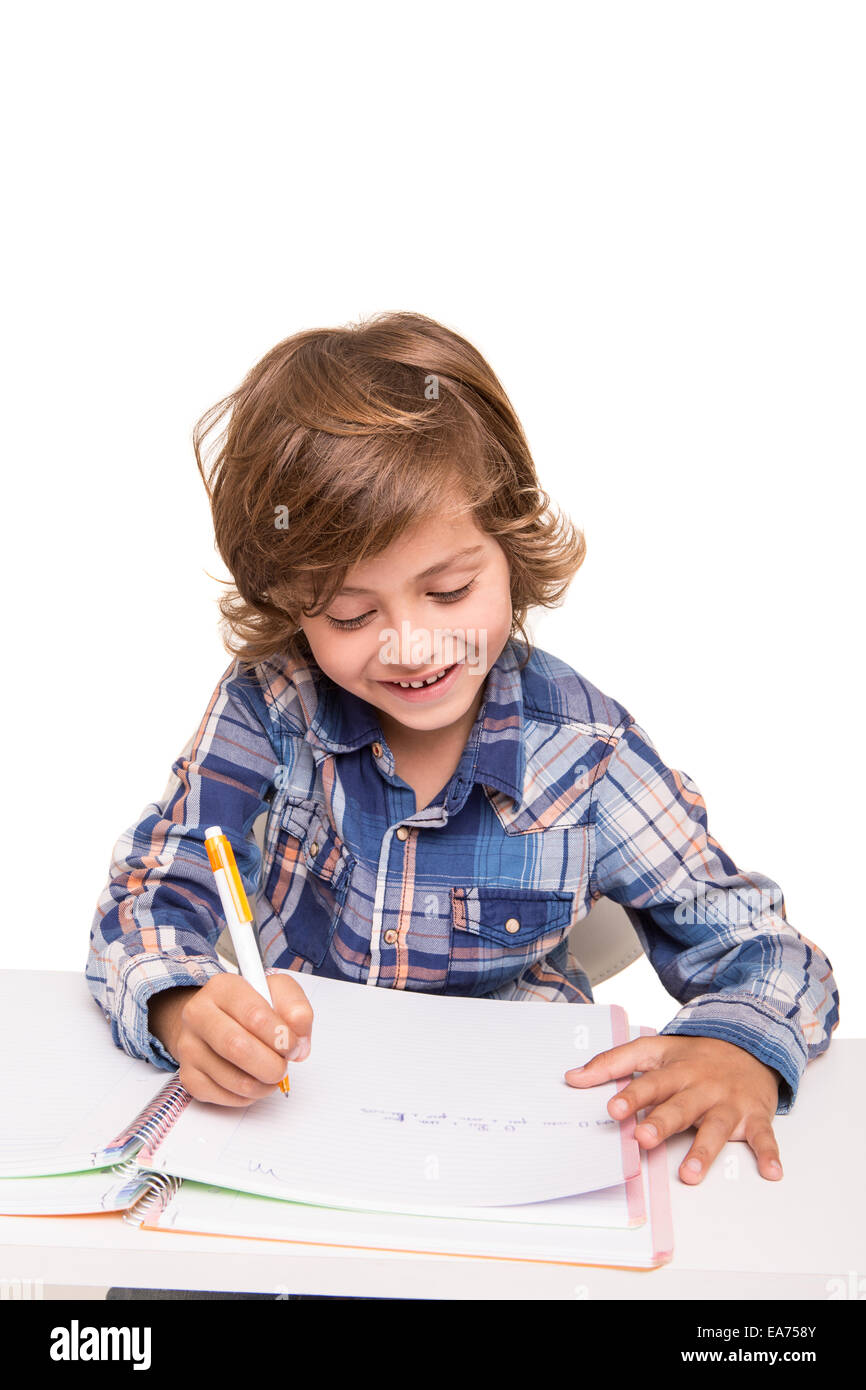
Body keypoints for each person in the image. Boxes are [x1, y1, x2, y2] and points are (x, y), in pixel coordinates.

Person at [88, 310, 839, 1297]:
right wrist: (183, 1002)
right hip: (286, 1143)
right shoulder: (268, 708)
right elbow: (152, 885)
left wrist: (734, 1043)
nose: (408, 644)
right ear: (290, 604)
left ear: (510, 547)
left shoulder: (582, 749)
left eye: (448, 589)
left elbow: (767, 950)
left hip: (508, 1179)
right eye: (350, 613)